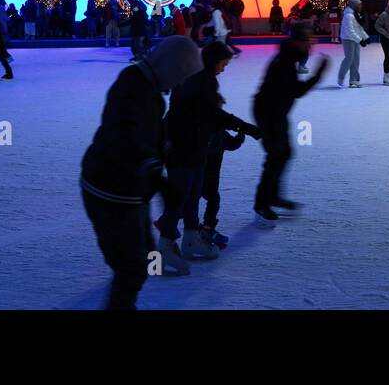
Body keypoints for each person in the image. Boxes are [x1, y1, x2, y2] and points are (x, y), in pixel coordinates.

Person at [79, 36, 201, 307]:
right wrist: (157, 177)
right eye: (181, 75)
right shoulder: (134, 86)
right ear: (171, 67)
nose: (180, 83)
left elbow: (145, 138)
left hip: (130, 191)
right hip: (109, 191)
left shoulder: (149, 88)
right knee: (131, 267)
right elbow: (127, 137)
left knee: (143, 254)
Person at [155, 42, 259, 265]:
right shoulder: (198, 80)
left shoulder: (200, 78)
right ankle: (164, 247)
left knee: (192, 195)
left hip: (194, 147)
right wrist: (247, 129)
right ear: (214, 61)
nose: (224, 68)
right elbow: (212, 115)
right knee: (179, 197)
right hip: (181, 147)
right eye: (223, 63)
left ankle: (191, 239)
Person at [252, 23, 328, 224]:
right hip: (268, 113)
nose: (310, 46)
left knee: (283, 153)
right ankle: (262, 203)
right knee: (276, 156)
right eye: (307, 41)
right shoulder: (284, 61)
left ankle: (272, 196)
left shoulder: (289, 56)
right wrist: (318, 75)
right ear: (296, 41)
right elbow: (297, 91)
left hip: (275, 111)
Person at [338, 0, 368, 88]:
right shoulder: (348, 16)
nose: (361, 6)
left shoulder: (355, 14)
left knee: (356, 59)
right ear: (354, 5)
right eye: (359, 5)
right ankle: (341, 77)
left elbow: (359, 28)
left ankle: (354, 80)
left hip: (355, 39)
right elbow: (349, 31)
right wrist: (360, 40)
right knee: (349, 58)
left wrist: (366, 37)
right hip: (348, 39)